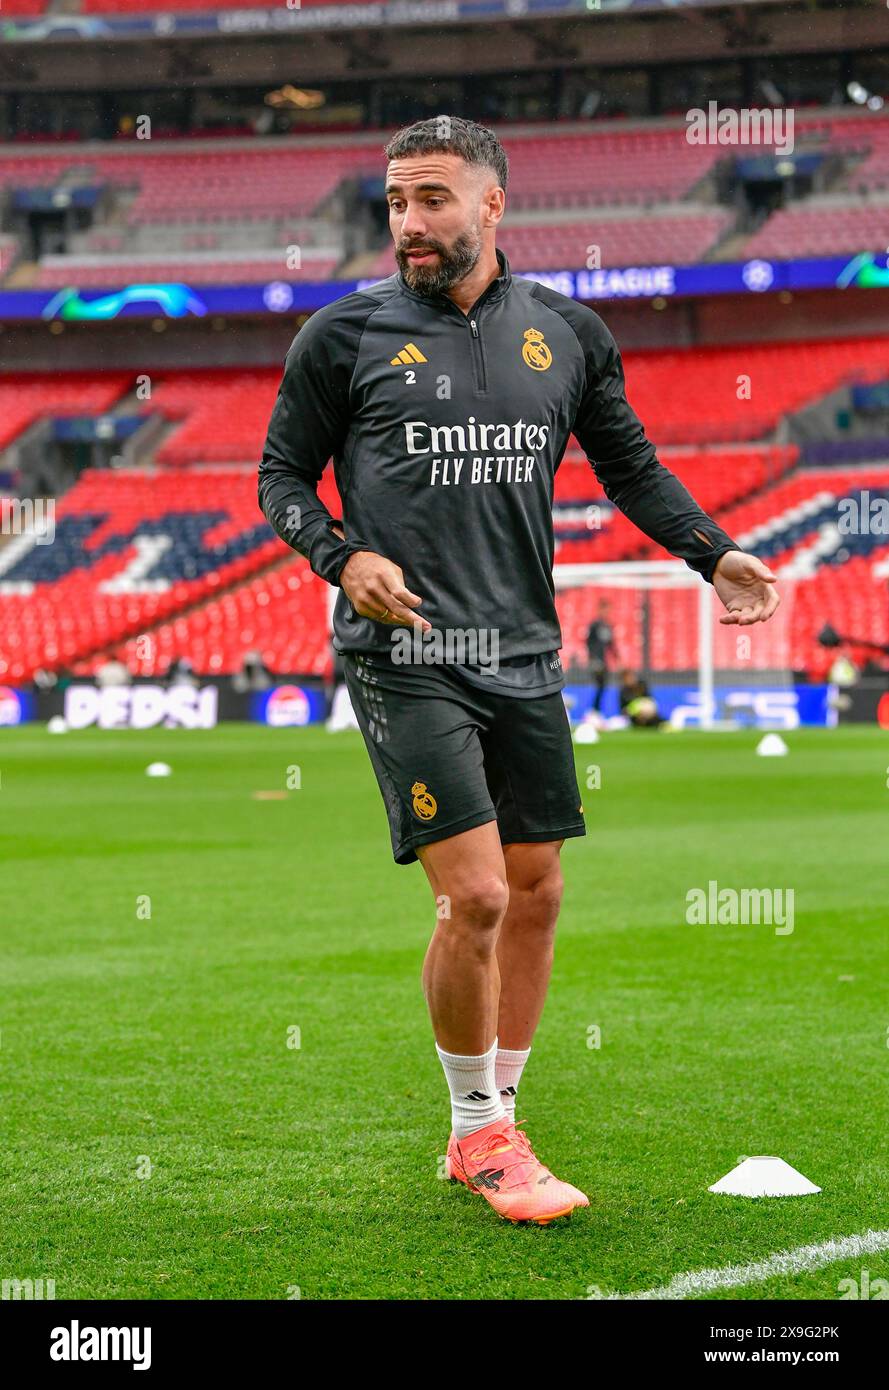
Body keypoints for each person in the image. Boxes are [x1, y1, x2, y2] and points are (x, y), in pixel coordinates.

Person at [258, 116, 780, 1225]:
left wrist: (713, 550)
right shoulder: (341, 336)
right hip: (410, 656)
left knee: (538, 889)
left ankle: (498, 1105)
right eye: (396, 200)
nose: (410, 221)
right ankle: (479, 1134)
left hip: (524, 654)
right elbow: (280, 479)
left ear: (493, 204)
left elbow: (629, 465)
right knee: (478, 893)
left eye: (434, 198)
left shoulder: (567, 332)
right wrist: (341, 555)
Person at [585, 601, 615, 713]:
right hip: (596, 661)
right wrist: (593, 659)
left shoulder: (607, 626)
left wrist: (617, 658)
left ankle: (596, 710)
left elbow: (611, 644)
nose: (607, 612)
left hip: (604, 661)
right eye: (605, 609)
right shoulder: (594, 625)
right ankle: (594, 710)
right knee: (599, 685)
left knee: (603, 686)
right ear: (600, 610)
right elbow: (588, 643)